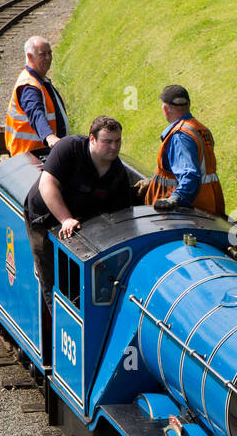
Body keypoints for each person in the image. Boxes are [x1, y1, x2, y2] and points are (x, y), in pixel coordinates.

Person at [24, 116, 134, 313]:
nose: (113, 147)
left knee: (81, 276)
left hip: (83, 221)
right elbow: (47, 184)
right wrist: (65, 218)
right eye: (107, 141)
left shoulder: (117, 172)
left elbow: (123, 214)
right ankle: (57, 317)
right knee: (50, 274)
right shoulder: (69, 148)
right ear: (92, 139)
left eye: (117, 141)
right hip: (44, 216)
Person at [144, 84, 225, 215]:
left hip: (184, 214)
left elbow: (190, 174)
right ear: (189, 105)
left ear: (165, 109)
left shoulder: (180, 136)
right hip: (209, 207)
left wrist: (175, 199)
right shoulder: (200, 129)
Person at [5, 36, 69, 156]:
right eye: (42, 54)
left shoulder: (40, 81)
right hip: (30, 157)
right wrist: (49, 137)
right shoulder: (29, 86)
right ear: (30, 57)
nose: (48, 58)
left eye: (50, 53)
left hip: (41, 154)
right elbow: (35, 113)